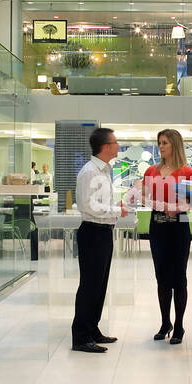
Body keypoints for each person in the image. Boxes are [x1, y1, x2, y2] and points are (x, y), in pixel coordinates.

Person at [71, 127, 126, 353]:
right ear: (105, 147)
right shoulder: (90, 172)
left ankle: (92, 329)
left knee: (99, 285)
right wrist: (115, 210)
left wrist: (114, 210)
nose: (118, 146)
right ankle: (81, 337)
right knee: (89, 285)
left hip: (103, 232)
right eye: (115, 142)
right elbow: (88, 206)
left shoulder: (103, 170)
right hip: (93, 232)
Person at [142, 129, 192, 344]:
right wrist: (160, 205)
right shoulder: (151, 171)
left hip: (179, 227)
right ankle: (165, 322)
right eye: (159, 143)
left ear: (175, 145)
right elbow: (145, 199)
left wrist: (175, 207)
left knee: (179, 277)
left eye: (165, 142)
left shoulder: (188, 172)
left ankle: (180, 326)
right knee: (161, 277)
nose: (161, 146)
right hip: (157, 228)